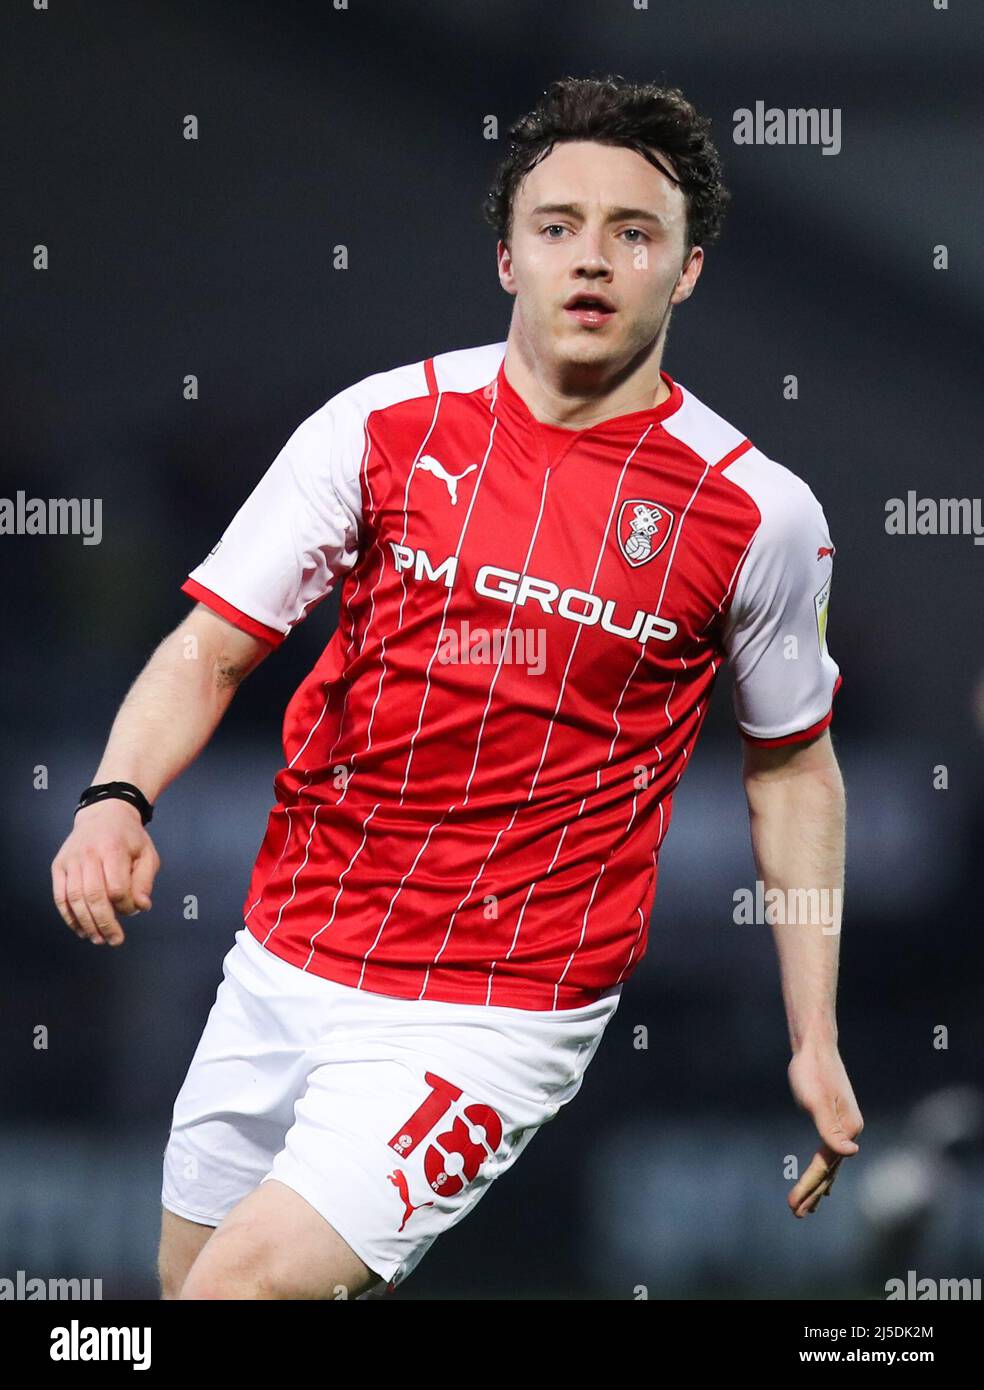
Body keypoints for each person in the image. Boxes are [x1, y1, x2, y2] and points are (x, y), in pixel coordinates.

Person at [50, 74, 863, 1301]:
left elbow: (793, 768)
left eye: (633, 233)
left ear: (686, 270)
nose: (592, 261)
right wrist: (115, 796)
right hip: (286, 957)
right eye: (558, 227)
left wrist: (815, 1038)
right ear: (506, 258)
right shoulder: (378, 427)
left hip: (500, 1006)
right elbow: (210, 646)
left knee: (241, 1292)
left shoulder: (759, 512)